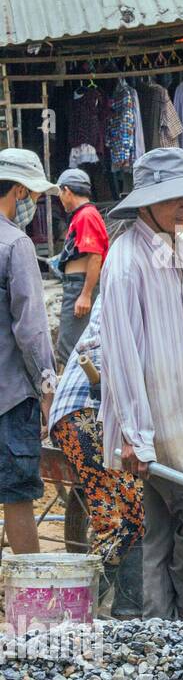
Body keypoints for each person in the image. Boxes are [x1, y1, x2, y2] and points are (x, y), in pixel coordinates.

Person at [99, 147, 183, 620]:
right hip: (152, 423)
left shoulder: (174, 252)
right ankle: (180, 615)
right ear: (146, 203)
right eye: (173, 198)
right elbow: (119, 354)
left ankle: (159, 630)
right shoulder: (126, 261)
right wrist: (135, 435)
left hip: (180, 413)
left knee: (159, 529)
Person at [48, 300, 144, 618]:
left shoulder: (128, 278)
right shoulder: (141, 288)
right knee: (123, 519)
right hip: (92, 408)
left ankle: (124, 610)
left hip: (80, 410)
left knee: (122, 516)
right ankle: (73, 613)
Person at [0, 149, 57, 555]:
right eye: (34, 197)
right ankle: (32, 597)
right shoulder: (15, 244)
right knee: (17, 495)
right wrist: (48, 386)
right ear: (19, 191)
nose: (33, 205)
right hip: (10, 395)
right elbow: (32, 329)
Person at [51, 168, 109, 369]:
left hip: (80, 286)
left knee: (70, 346)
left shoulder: (86, 216)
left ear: (67, 191)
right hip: (77, 285)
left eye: (60, 192)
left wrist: (85, 294)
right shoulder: (84, 215)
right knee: (73, 343)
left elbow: (95, 256)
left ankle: (77, 391)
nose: (60, 198)